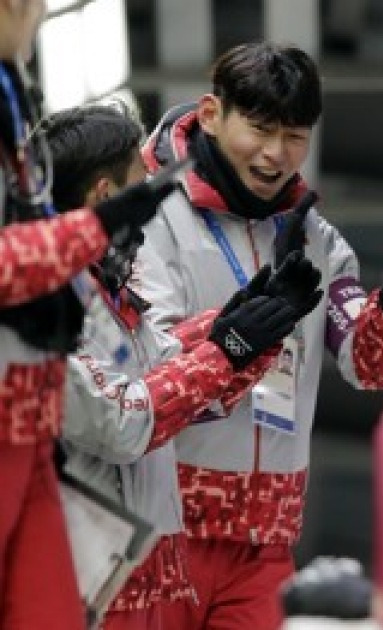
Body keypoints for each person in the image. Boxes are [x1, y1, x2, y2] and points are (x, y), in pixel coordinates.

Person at [130, 41, 383, 629]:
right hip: (160, 525)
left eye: (295, 134)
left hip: (264, 542)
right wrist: (237, 332)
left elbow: (368, 365)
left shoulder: (317, 242)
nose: (277, 153)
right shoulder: (151, 217)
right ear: (213, 114)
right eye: (261, 127)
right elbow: (147, 368)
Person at [44, 104, 323, 630]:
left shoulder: (111, 299)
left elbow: (167, 371)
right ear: (106, 196)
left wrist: (240, 324)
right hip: (89, 591)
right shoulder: (45, 307)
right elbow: (122, 419)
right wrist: (227, 348)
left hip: (144, 579)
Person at [0, 3, 177, 628]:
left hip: (29, 427)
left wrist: (228, 341)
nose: (35, 10)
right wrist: (88, 234)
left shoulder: (12, 104)